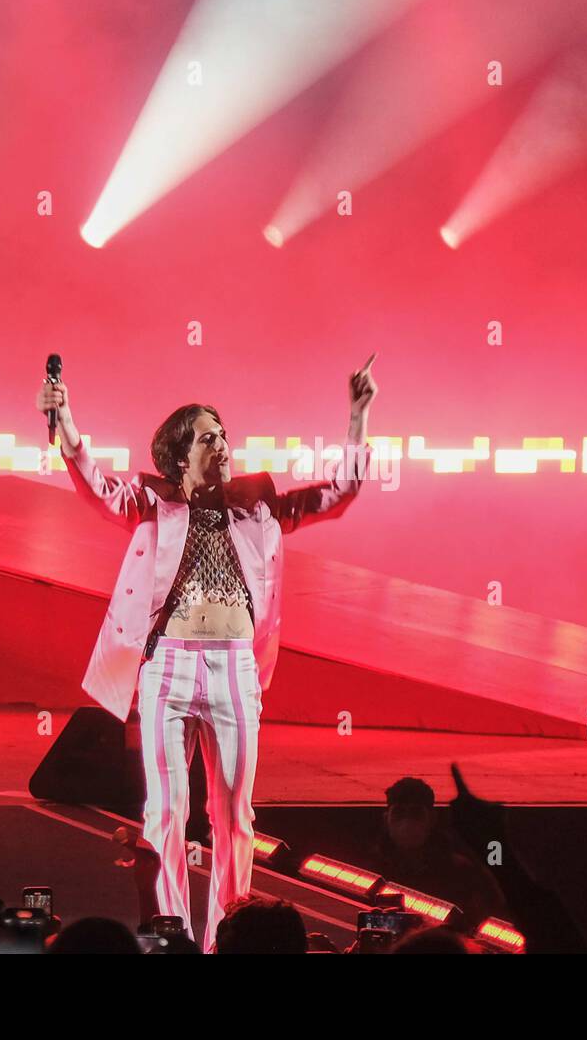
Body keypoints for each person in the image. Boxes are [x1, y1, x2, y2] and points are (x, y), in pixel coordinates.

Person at [37, 356, 377, 951]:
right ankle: (174, 934)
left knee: (234, 817)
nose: (223, 444)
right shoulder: (152, 503)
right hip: (167, 667)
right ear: (178, 457)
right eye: (208, 437)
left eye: (223, 434)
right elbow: (96, 484)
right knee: (165, 810)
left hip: (234, 670)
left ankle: (232, 936)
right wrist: (64, 419)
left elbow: (339, 492)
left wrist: (358, 417)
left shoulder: (259, 504)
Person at [369, 777, 508, 928]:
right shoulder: (368, 869)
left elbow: (480, 917)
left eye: (416, 813)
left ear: (432, 818)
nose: (407, 821)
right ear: (386, 819)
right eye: (399, 813)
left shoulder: (460, 872)